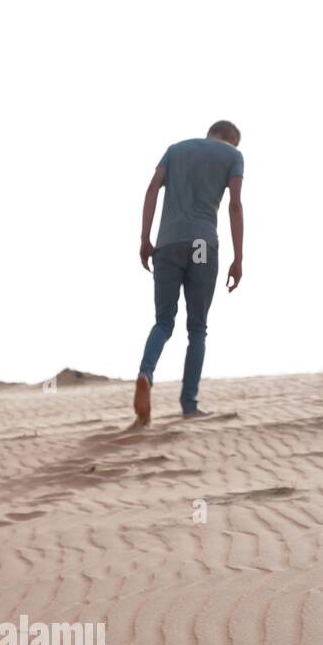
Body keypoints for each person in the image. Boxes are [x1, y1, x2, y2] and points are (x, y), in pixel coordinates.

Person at [134, 120, 244, 423]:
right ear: (233, 139)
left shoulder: (175, 150)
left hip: (167, 243)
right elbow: (234, 205)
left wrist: (145, 239)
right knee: (197, 328)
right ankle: (189, 404)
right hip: (201, 243)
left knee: (164, 322)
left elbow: (152, 188)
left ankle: (146, 373)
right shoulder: (232, 156)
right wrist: (238, 257)